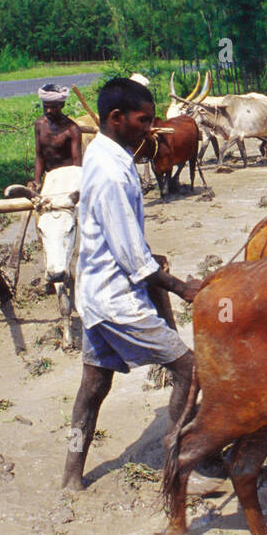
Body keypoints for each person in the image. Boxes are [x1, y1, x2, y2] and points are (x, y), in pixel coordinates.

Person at [61, 77, 206, 491]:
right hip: (116, 301)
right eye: (143, 121)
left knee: (92, 387)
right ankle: (176, 468)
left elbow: (121, 239)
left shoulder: (110, 157)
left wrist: (146, 255)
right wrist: (183, 288)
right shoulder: (109, 173)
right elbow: (134, 261)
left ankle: (72, 477)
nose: (150, 128)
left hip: (95, 295)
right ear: (116, 118)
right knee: (190, 370)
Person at [33, 84, 82, 191]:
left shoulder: (72, 130)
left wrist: (75, 188)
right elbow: (39, 156)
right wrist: (37, 182)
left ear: (62, 105)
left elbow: (77, 163)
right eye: (46, 107)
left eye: (53, 107)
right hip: (49, 179)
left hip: (67, 180)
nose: (49, 111)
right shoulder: (40, 124)